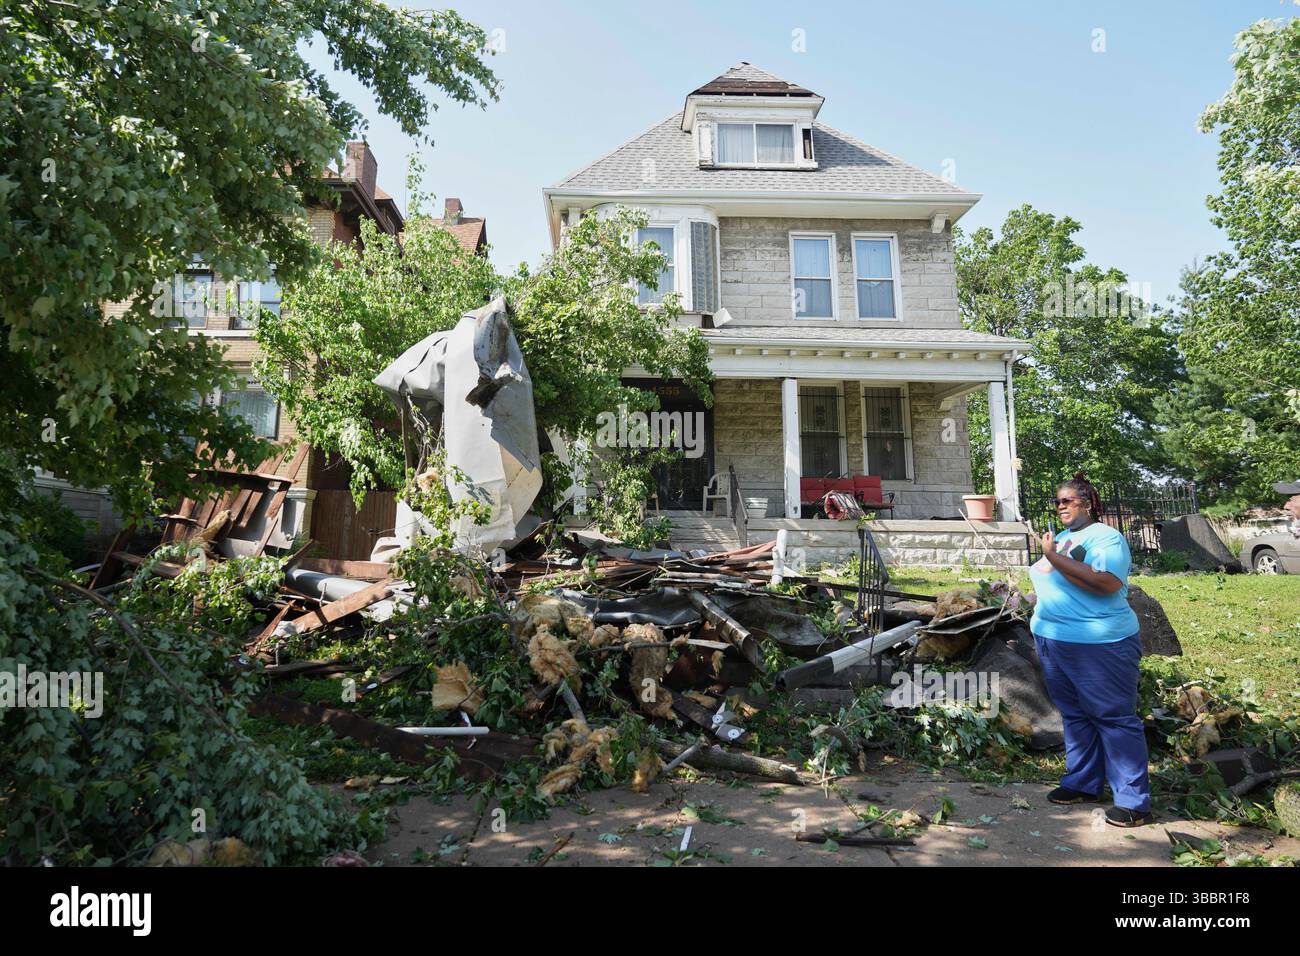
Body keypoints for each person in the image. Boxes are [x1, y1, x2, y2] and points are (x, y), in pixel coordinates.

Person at [1028, 472, 1152, 827]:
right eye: (1057, 501)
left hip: (1099, 644)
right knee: (1076, 715)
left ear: (1087, 503)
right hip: (1054, 639)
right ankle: (1083, 783)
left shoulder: (1106, 538)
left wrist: (1051, 556)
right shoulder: (1063, 539)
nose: (1060, 506)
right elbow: (1058, 582)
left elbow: (1105, 583)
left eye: (1066, 500)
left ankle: (1133, 802)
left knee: (1113, 717)